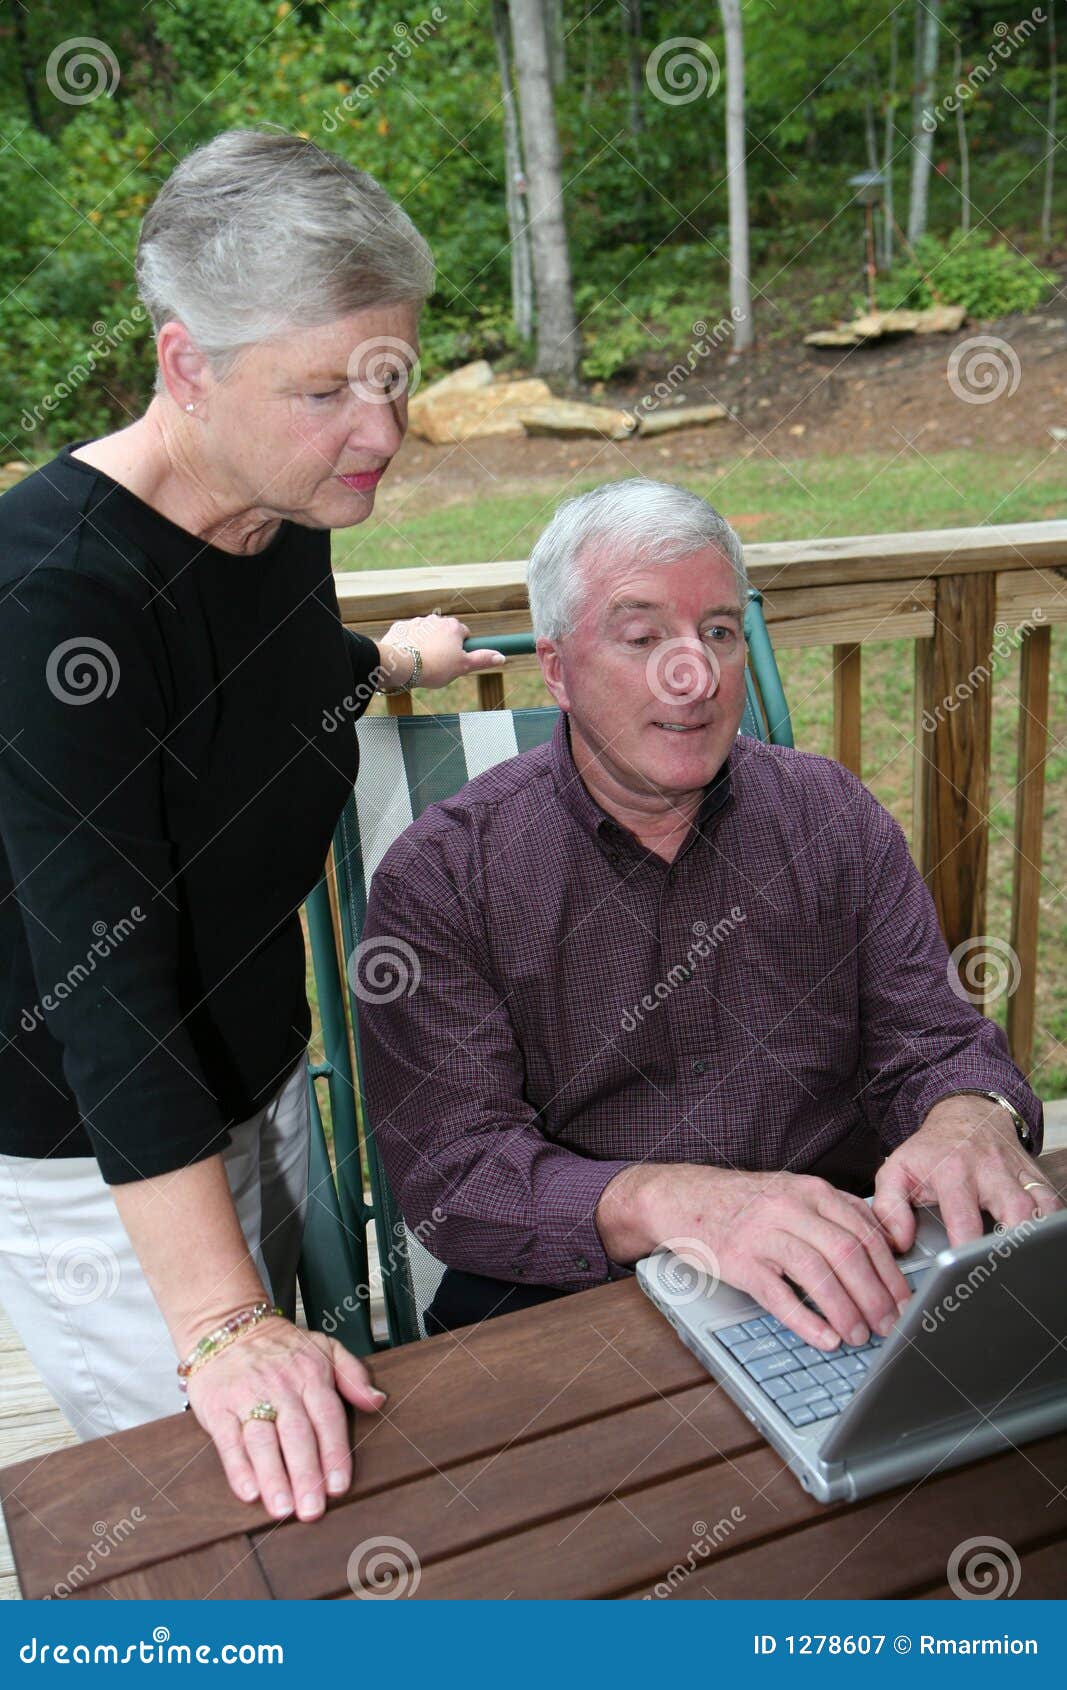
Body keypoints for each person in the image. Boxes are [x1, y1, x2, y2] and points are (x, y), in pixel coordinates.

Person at [0, 129, 503, 1523]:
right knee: (212, 1513)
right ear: (186, 365)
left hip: (266, 1069)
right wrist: (218, 1322)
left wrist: (382, 663)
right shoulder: (46, 598)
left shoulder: (282, 500)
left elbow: (253, 690)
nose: (380, 433)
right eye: (327, 388)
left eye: (393, 375)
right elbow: (101, 986)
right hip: (99, 1154)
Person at [359, 477, 1061, 1340]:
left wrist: (968, 1116)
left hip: (847, 1266)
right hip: (577, 1304)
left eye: (718, 632)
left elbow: (935, 1043)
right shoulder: (442, 877)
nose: (692, 674)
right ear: (557, 669)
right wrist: (674, 1203)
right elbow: (458, 1174)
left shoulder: (828, 816)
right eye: (642, 635)